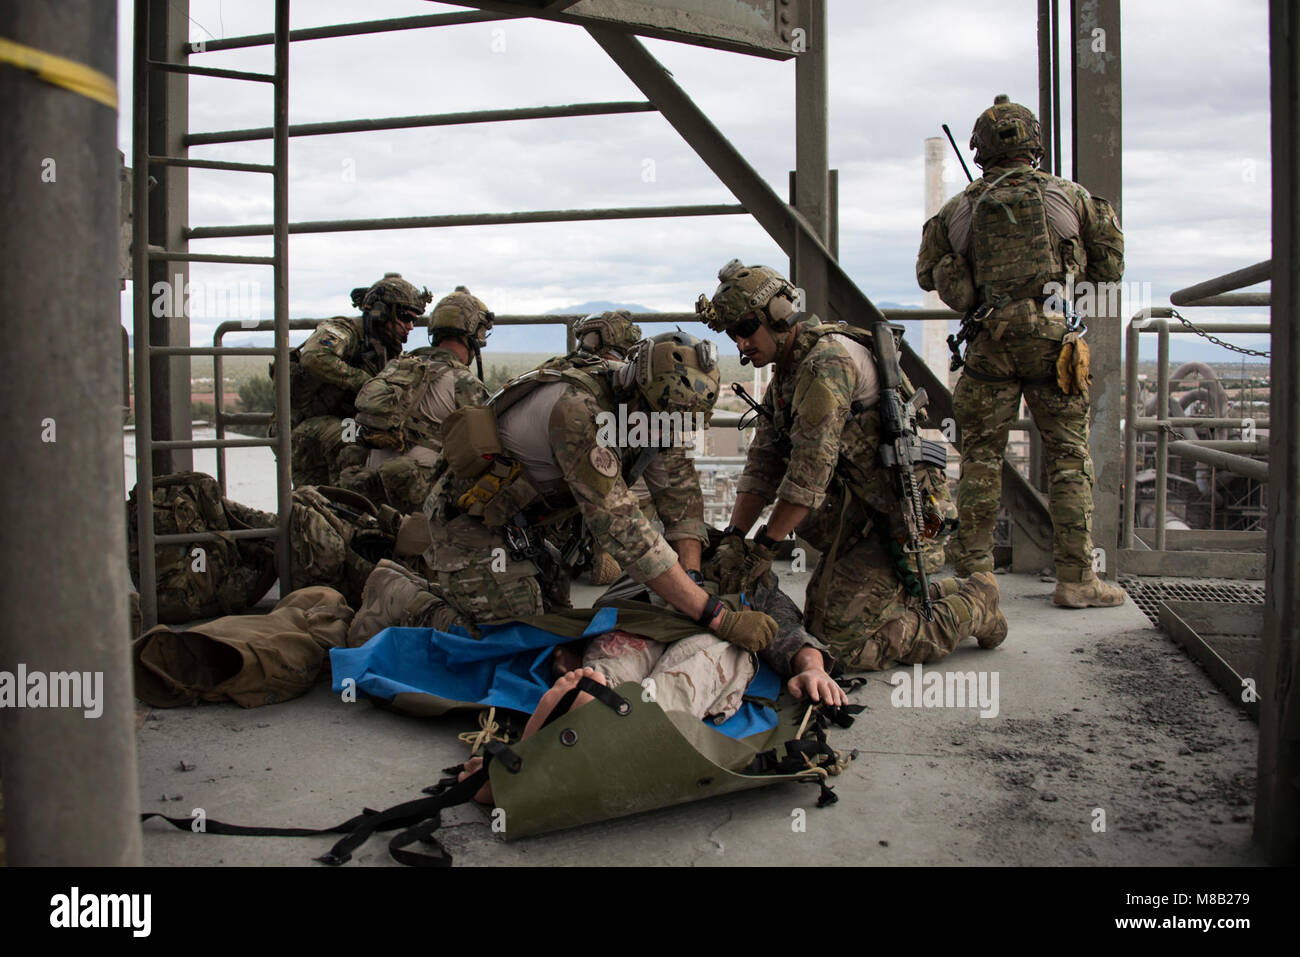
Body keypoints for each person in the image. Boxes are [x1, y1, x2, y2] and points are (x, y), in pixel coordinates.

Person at [696, 260, 1007, 672]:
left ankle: (975, 605)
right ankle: (926, 592)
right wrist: (736, 535)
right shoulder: (788, 374)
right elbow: (764, 463)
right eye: (733, 333)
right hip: (859, 517)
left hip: (898, 523)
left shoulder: (825, 366)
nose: (741, 344)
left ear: (776, 315)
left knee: (840, 648)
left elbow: (807, 476)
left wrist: (763, 550)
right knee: (818, 627)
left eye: (746, 329)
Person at [421, 329, 779, 654]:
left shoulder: (658, 408)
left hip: (525, 528)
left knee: (557, 633)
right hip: (472, 526)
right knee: (513, 646)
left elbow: (681, 500)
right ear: (637, 394)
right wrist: (715, 615)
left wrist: (692, 579)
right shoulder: (580, 412)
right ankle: (406, 599)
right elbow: (624, 531)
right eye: (662, 421)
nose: (665, 432)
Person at [915, 94, 1126, 608]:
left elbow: (927, 274)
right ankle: (1077, 579)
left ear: (980, 150)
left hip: (990, 344)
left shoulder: (958, 208)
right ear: (1033, 144)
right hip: (1055, 345)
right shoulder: (1071, 197)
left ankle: (976, 581)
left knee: (982, 459)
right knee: (1069, 457)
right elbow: (1110, 267)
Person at [341, 287, 494, 514]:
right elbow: (485, 450)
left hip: (369, 487)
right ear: (472, 333)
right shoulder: (463, 381)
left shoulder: (396, 368)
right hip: (416, 494)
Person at [276, 273, 431, 487]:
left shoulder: (384, 347)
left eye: (414, 320)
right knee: (350, 443)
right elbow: (315, 356)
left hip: (339, 422)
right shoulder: (346, 330)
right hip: (303, 424)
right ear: (383, 312)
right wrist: (365, 383)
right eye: (405, 317)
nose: (411, 326)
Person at [537, 309, 648, 585]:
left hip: (549, 500)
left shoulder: (555, 369)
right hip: (601, 497)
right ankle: (607, 548)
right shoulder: (621, 382)